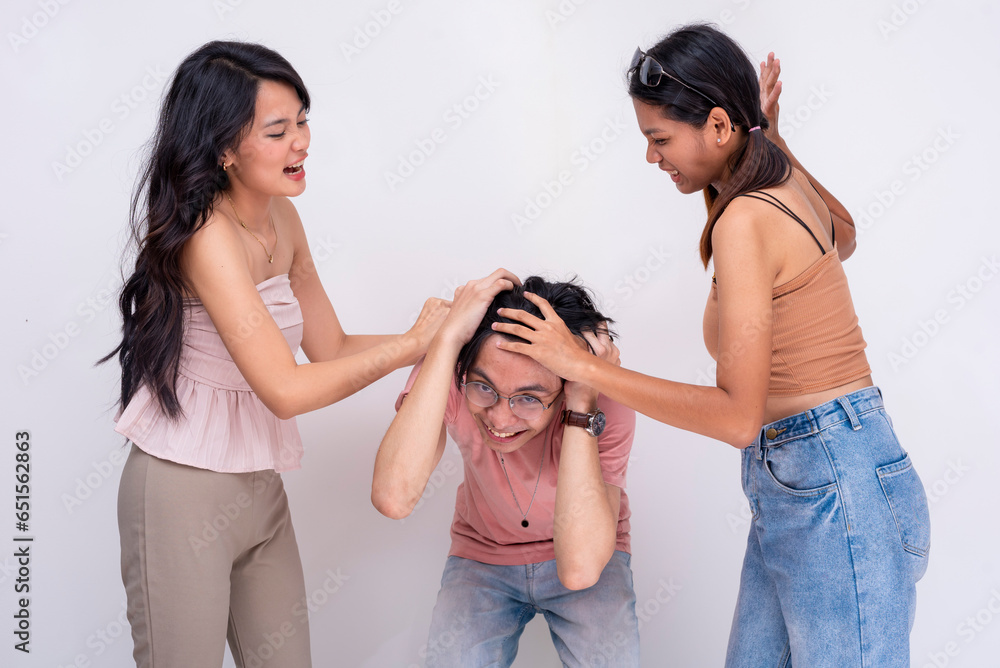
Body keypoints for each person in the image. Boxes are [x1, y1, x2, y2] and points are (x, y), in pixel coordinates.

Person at [490, 24, 930, 668]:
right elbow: (844, 236)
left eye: (660, 138)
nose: (652, 157)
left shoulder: (746, 218)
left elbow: (735, 417)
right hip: (813, 476)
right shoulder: (771, 186)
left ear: (719, 126)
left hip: (835, 483)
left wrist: (581, 366)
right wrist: (770, 136)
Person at [102, 40, 448, 667]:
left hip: (257, 488)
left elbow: (331, 347)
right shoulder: (206, 237)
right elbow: (285, 390)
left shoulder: (283, 219)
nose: (301, 143)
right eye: (277, 130)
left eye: (303, 121)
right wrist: (410, 345)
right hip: (180, 492)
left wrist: (444, 337)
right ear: (224, 149)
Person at [372, 270, 640, 667]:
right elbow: (393, 497)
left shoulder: (607, 400)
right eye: (484, 388)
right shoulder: (454, 371)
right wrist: (446, 339)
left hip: (587, 546)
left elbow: (580, 569)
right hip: (483, 552)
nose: (500, 418)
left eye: (529, 398)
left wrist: (584, 399)